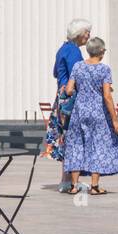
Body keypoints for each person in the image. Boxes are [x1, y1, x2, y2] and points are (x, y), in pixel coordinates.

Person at [64, 36, 118, 195]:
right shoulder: (104, 69)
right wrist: (115, 120)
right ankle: (95, 186)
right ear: (101, 51)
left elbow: (69, 90)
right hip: (98, 113)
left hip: (80, 112)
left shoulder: (78, 66)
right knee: (97, 146)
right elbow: (106, 95)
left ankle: (74, 186)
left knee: (77, 145)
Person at [45, 18, 91, 192]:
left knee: (65, 138)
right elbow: (78, 75)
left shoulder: (63, 49)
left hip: (61, 98)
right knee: (73, 139)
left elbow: (56, 72)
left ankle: (65, 180)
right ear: (79, 34)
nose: (89, 36)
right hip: (70, 99)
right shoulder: (73, 52)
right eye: (87, 32)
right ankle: (68, 181)